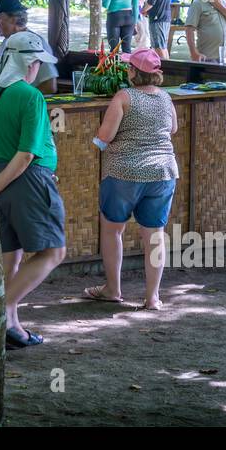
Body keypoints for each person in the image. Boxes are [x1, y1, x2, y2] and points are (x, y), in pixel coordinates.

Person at [0, 30, 66, 348]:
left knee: (9, 254)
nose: (37, 71)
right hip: (22, 179)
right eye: (36, 64)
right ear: (27, 63)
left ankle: (10, 328)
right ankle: (2, 311)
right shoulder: (30, 97)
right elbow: (26, 153)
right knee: (53, 251)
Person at [85, 48, 178, 309]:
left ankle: (113, 289)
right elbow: (173, 128)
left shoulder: (124, 97)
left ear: (134, 72)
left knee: (113, 229)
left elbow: (105, 136)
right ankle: (152, 298)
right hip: (163, 171)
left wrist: (94, 143)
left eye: (130, 68)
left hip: (124, 172)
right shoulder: (165, 97)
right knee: (155, 234)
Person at [0, 0, 57, 93]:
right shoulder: (6, 43)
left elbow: (50, 86)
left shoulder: (36, 43)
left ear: (13, 19)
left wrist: (20, 101)